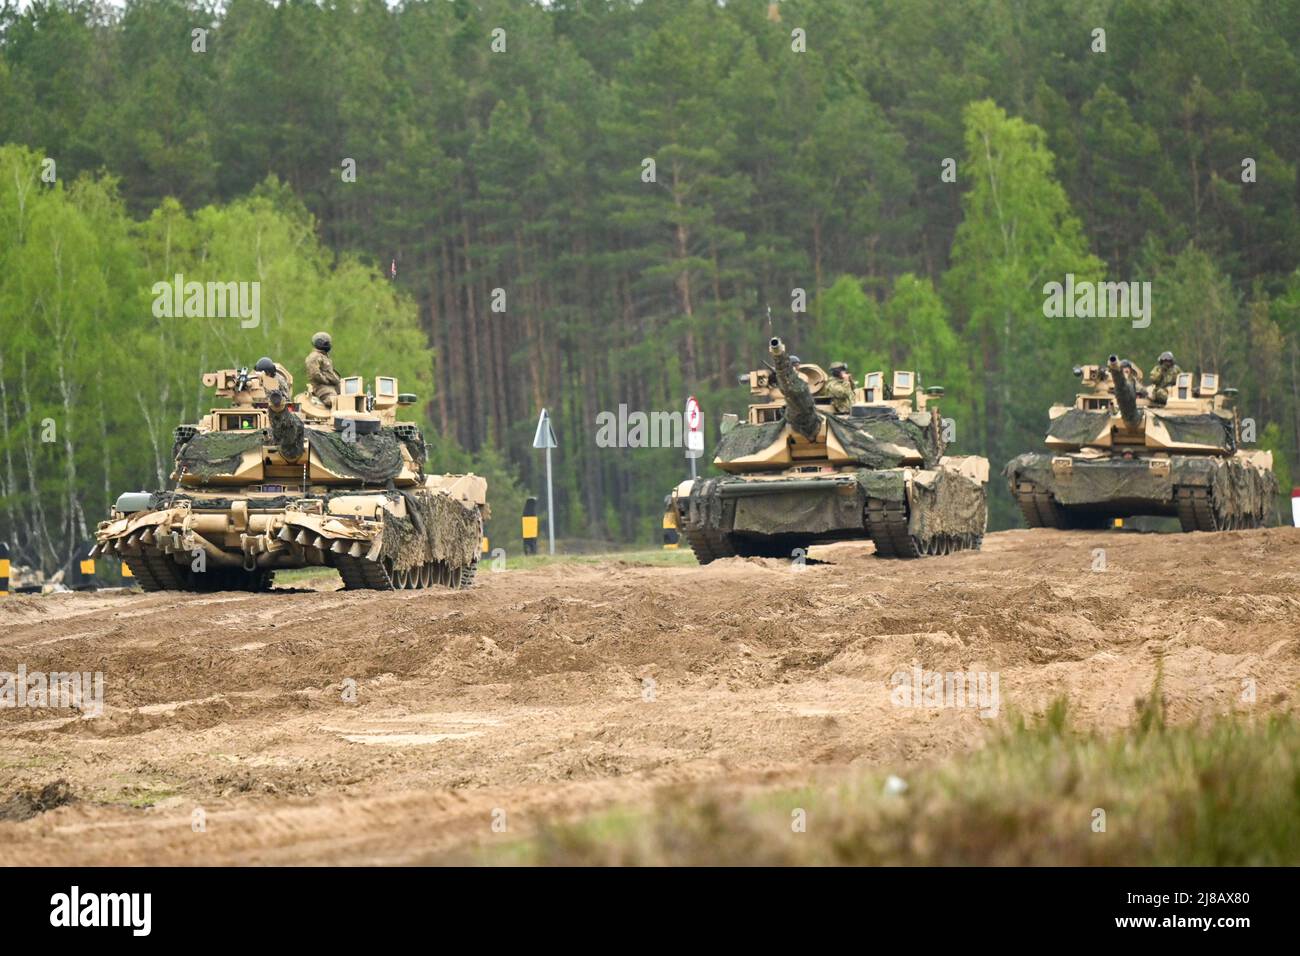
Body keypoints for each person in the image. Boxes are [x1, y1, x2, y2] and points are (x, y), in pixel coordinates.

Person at [305, 332, 341, 408]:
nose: (329, 344)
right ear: (320, 343)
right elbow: (314, 374)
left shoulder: (324, 356)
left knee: (349, 398)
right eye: (326, 342)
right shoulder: (314, 357)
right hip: (321, 387)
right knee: (334, 401)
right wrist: (326, 381)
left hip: (333, 386)